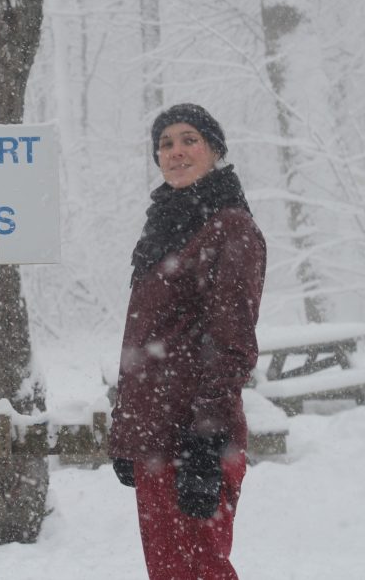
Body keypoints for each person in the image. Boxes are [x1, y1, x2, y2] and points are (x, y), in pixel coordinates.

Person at [108, 103, 266, 580]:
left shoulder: (230, 226)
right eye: (165, 143)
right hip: (154, 434)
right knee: (170, 571)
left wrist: (206, 440)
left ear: (214, 149)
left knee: (199, 571)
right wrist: (126, 430)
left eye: (188, 139)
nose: (175, 152)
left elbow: (232, 341)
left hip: (194, 437)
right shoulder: (165, 227)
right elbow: (146, 337)